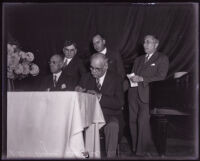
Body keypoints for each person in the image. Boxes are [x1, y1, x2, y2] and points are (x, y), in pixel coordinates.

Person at [75, 53, 124, 158]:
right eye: (91, 68)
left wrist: (100, 97)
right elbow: (78, 101)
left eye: (97, 69)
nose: (93, 71)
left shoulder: (116, 78)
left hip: (109, 116)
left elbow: (120, 102)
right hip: (90, 116)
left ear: (105, 66)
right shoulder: (86, 77)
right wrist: (78, 92)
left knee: (113, 126)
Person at [128, 35, 169, 156]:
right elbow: (133, 75)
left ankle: (141, 151)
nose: (145, 45)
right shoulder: (138, 59)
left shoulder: (162, 58)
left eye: (148, 42)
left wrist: (142, 79)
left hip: (148, 95)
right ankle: (135, 149)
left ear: (156, 44)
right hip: (133, 94)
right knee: (132, 121)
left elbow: (161, 77)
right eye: (144, 42)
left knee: (143, 122)